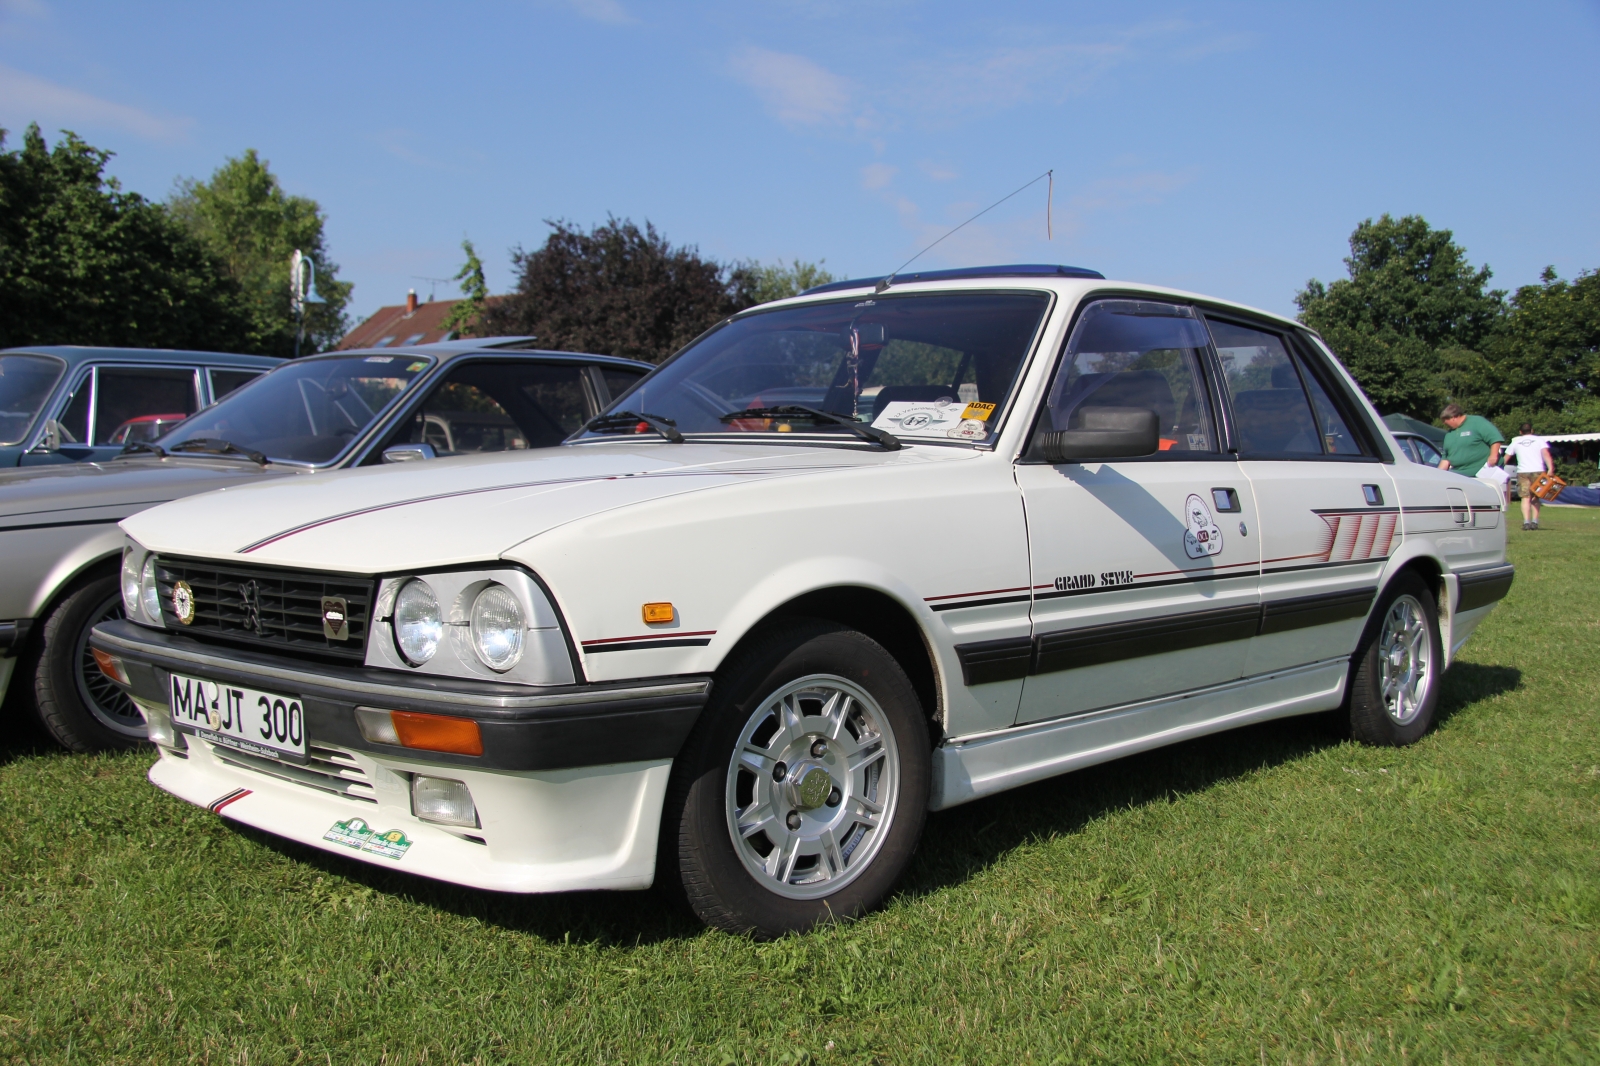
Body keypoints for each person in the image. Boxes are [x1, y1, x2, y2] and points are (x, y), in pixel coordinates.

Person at [1506, 421, 1555, 530]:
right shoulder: (1539, 440)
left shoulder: (1516, 442)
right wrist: (1550, 468)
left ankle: (1526, 522)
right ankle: (1535, 521)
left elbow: (1506, 457)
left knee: (1525, 497)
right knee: (1536, 497)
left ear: (1520, 432)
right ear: (1532, 431)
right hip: (1538, 471)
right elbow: (1546, 454)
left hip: (1523, 472)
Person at [1437, 403, 1504, 478]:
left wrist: (1493, 455)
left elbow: (1495, 438)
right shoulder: (1449, 434)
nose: (1444, 423)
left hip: (1483, 473)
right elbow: (1446, 458)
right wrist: (1438, 475)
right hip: (1459, 475)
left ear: (1453, 417)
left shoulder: (1477, 422)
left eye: (1444, 420)